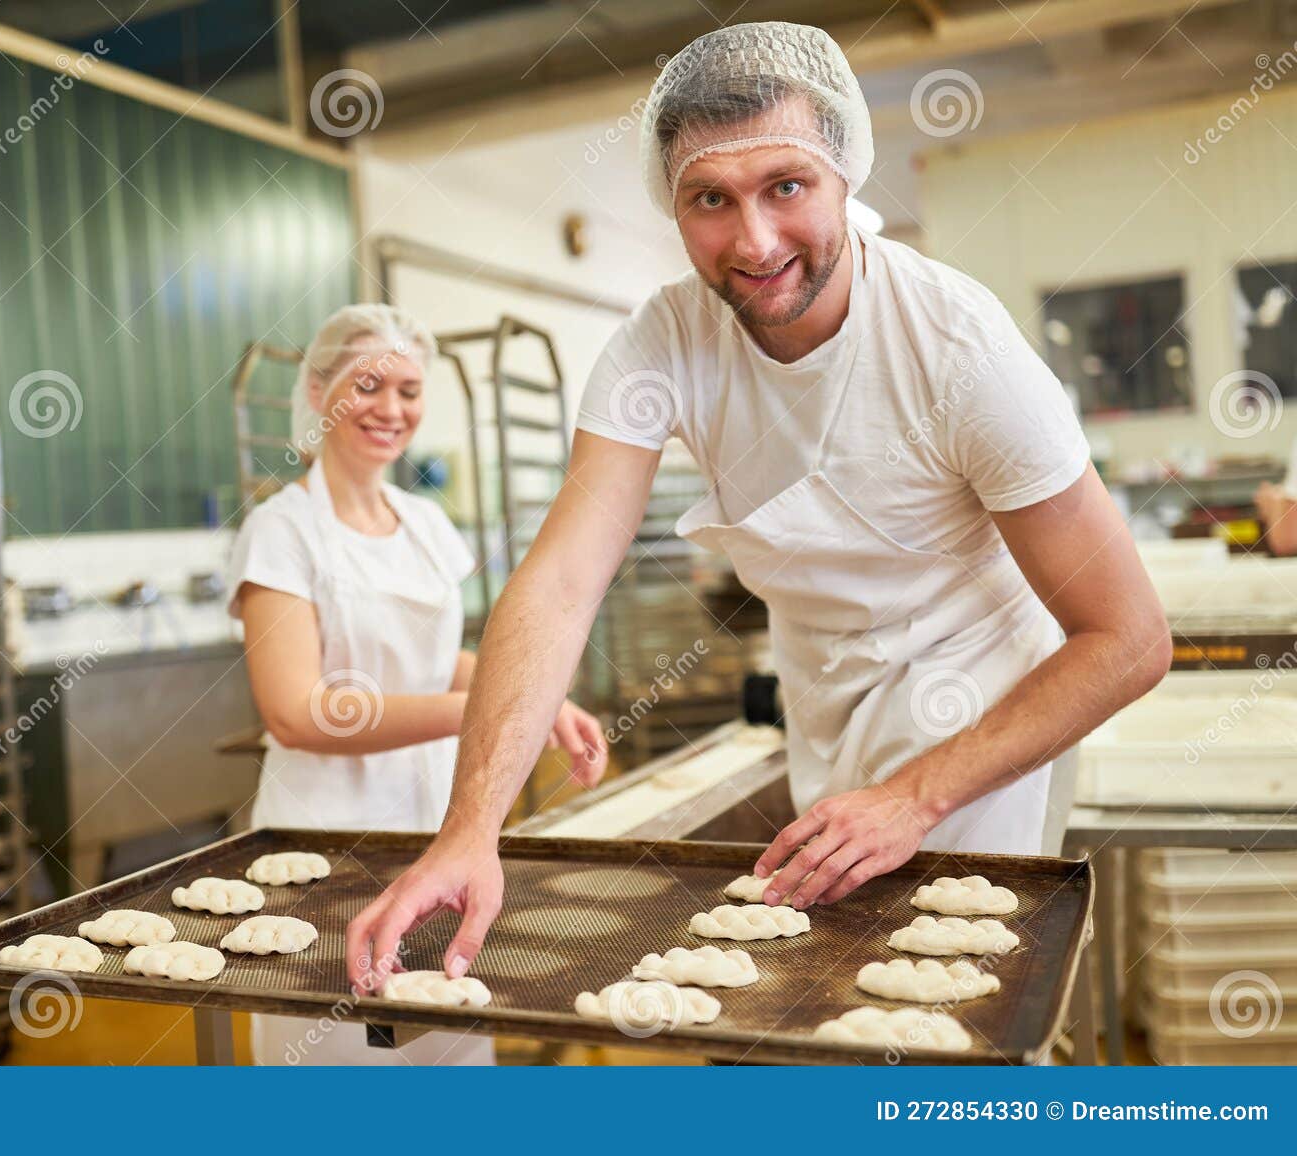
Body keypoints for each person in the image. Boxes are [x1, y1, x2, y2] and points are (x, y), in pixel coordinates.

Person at [345, 22, 1170, 994]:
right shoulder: (661, 346)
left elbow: (1127, 636)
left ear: (844, 177)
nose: (754, 240)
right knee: (825, 1002)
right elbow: (560, 584)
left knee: (949, 1019)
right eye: (710, 199)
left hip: (983, 724)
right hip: (824, 713)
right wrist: (469, 830)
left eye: (786, 186)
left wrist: (911, 797)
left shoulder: (957, 350)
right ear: (672, 205)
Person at [225, 304, 605, 1064]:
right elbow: (298, 713)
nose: (391, 410)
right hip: (324, 846)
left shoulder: (427, 523)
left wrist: (535, 697)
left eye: (409, 390)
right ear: (316, 390)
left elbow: (439, 657)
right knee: (341, 1063)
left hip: (440, 827)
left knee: (449, 1036)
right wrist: (480, 712)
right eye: (369, 385)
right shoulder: (282, 531)